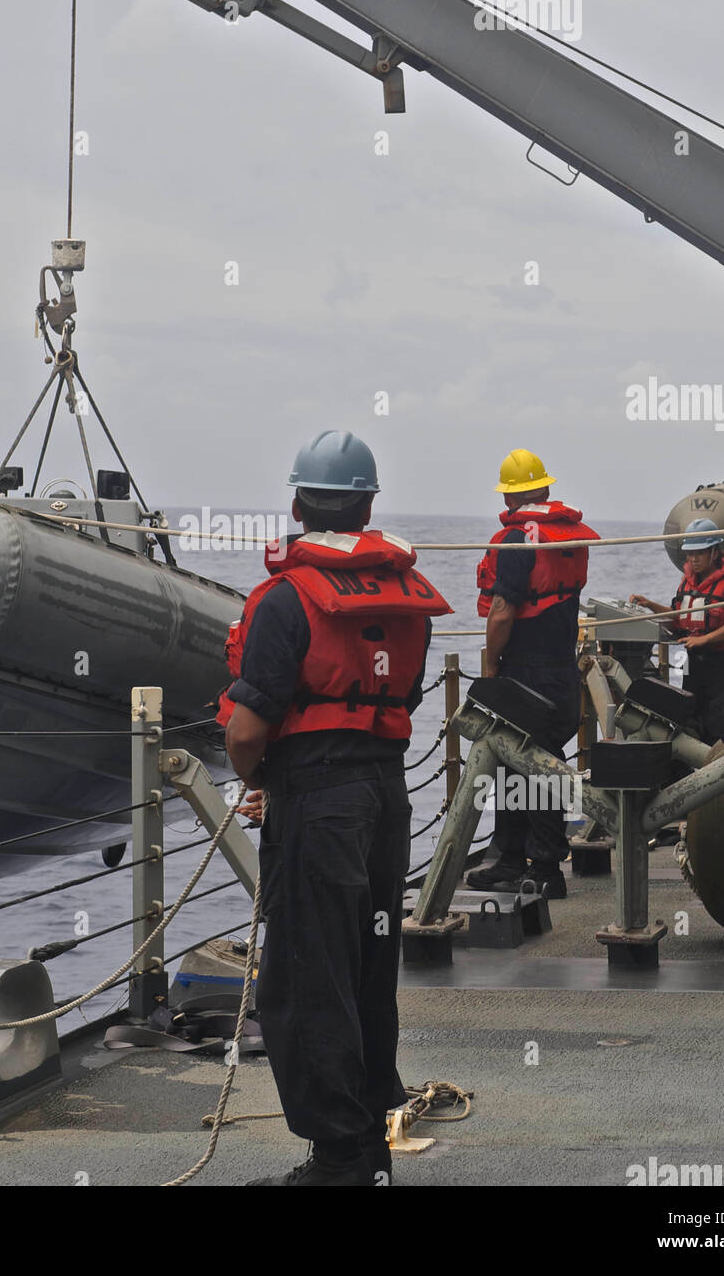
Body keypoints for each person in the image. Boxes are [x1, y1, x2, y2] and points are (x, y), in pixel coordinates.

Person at [217, 430, 451, 1187]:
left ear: (294, 502)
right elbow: (401, 697)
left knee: (305, 979)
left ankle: (342, 1159)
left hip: (317, 805)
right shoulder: (405, 602)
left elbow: (246, 728)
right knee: (364, 967)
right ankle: (368, 1145)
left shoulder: (284, 601)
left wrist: (255, 778)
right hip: (386, 798)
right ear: (369, 504)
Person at [468, 449, 599, 900]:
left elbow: (502, 612)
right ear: (544, 488)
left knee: (528, 765)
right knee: (526, 763)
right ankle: (520, 860)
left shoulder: (516, 540)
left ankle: (538, 866)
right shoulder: (564, 535)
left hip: (525, 671)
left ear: (508, 495)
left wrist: (490, 666)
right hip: (562, 669)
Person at [630, 517, 724, 743]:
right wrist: (650, 605)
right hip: (692, 662)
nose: (693, 559)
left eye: (700, 553)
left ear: (714, 552)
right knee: (692, 717)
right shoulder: (687, 582)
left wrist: (705, 640)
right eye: (690, 554)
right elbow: (679, 615)